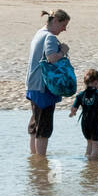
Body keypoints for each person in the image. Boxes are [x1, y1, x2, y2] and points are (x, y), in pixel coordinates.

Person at [26, 9, 70, 156]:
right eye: (63, 25)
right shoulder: (49, 37)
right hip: (43, 87)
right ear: (55, 20)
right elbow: (52, 58)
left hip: (33, 85)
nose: (64, 29)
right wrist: (63, 50)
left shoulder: (39, 33)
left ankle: (35, 161)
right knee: (44, 128)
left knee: (35, 125)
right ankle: (41, 163)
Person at [69, 68, 98, 160]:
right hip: (95, 123)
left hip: (84, 123)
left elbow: (74, 108)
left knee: (89, 143)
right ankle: (93, 167)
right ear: (96, 82)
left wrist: (72, 113)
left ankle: (88, 164)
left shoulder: (80, 95)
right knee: (96, 145)